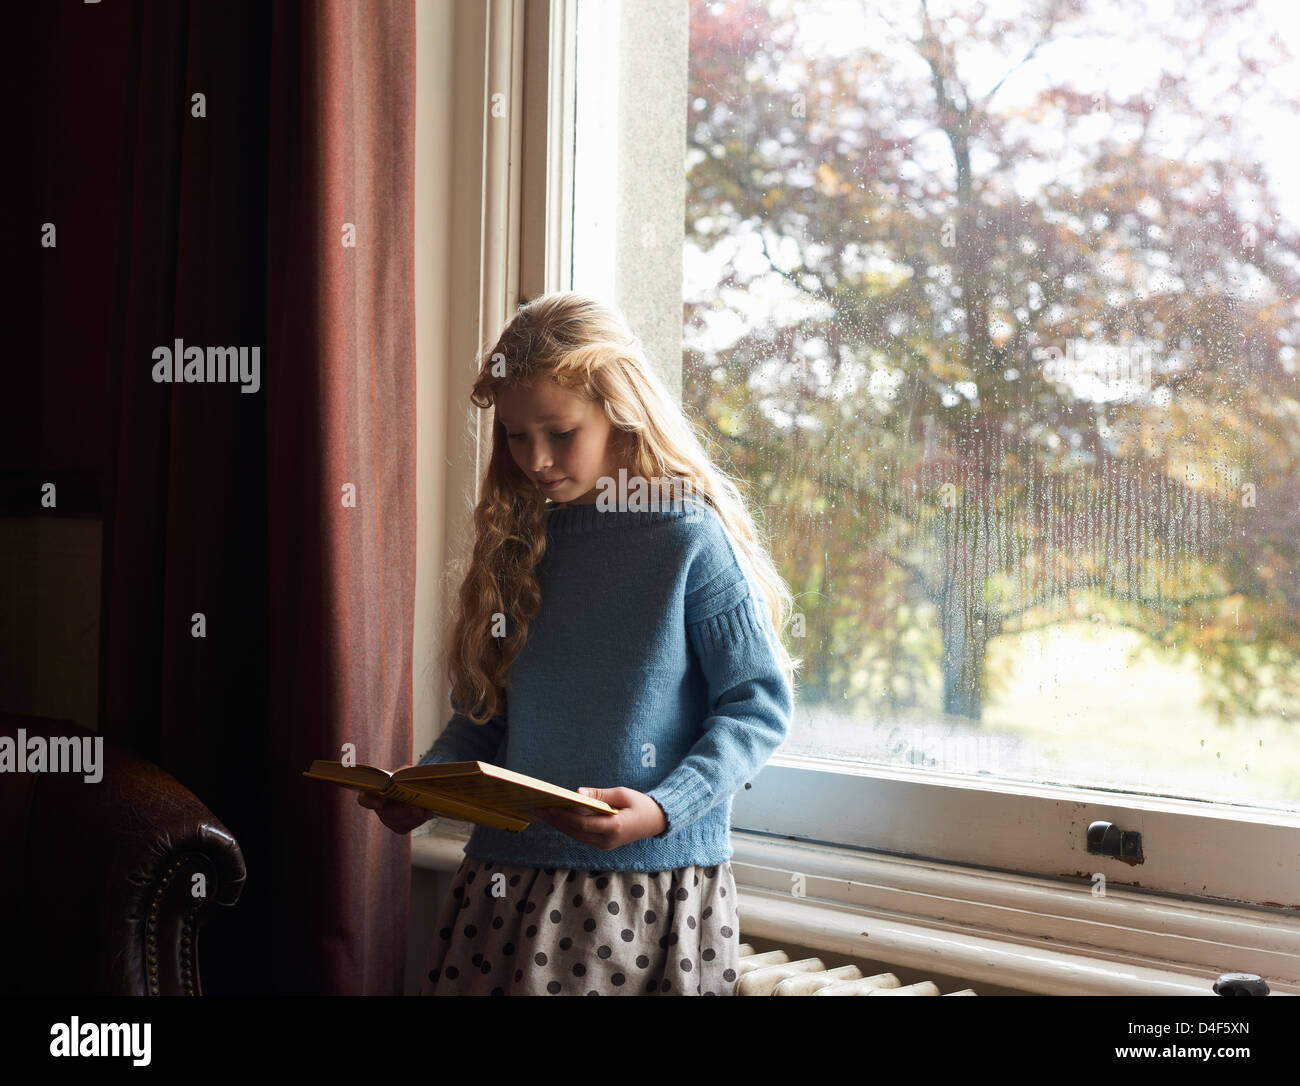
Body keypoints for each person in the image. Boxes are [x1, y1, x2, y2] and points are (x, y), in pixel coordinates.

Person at [359, 291, 799, 995]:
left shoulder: (685, 538)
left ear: (618, 411)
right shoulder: (516, 547)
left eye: (559, 432)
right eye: (513, 434)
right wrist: (428, 789)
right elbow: (487, 721)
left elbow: (757, 707)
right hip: (503, 889)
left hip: (644, 892)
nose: (534, 459)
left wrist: (662, 809)